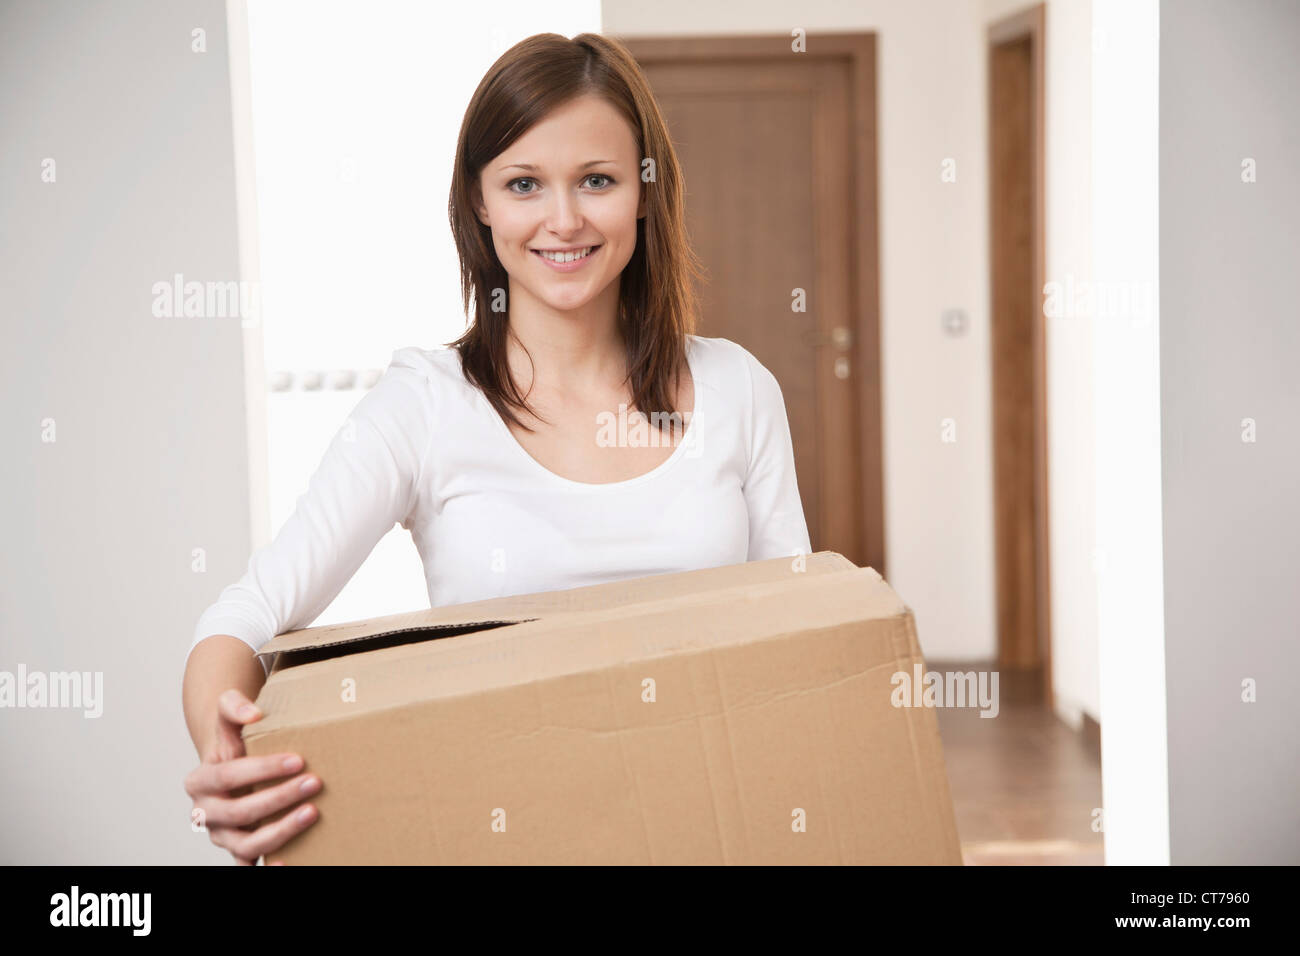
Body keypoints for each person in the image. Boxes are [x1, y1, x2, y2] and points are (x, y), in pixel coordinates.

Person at [181, 32, 811, 865]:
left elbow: (803, 635)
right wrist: (227, 756)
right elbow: (244, 619)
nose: (564, 219)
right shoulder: (427, 405)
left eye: (598, 180)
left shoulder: (739, 389)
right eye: (524, 184)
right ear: (480, 203)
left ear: (646, 194)